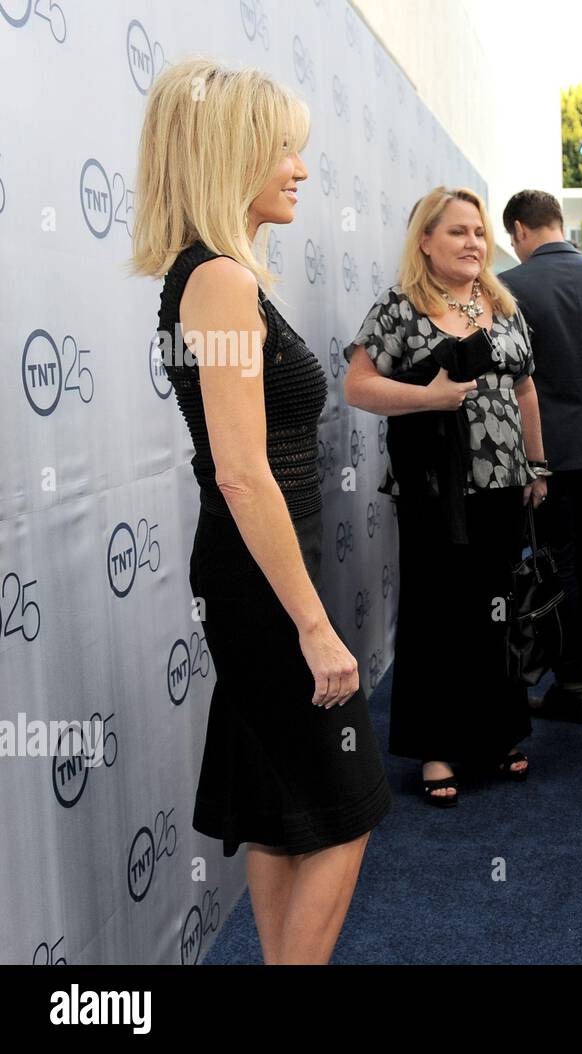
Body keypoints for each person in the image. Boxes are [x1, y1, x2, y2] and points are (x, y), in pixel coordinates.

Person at [130, 59, 391, 964]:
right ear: (230, 154)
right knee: (347, 805)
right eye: (285, 150)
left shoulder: (215, 277)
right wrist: (314, 625)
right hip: (262, 579)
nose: (301, 170)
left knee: (285, 806)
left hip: (263, 568)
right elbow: (243, 475)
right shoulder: (220, 282)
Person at [343, 186, 546, 806]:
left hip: (504, 488)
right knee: (438, 615)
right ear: (425, 241)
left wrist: (537, 465)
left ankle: (498, 732)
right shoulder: (399, 307)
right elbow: (357, 387)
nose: (473, 243)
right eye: (458, 232)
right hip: (435, 491)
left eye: (479, 233)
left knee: (498, 610)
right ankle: (436, 748)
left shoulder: (504, 304)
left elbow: (526, 391)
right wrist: (429, 397)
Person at [498, 189, 582, 724]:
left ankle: (571, 683)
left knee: (558, 564)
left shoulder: (505, 288)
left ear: (521, 230)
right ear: (560, 222)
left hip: (543, 455)